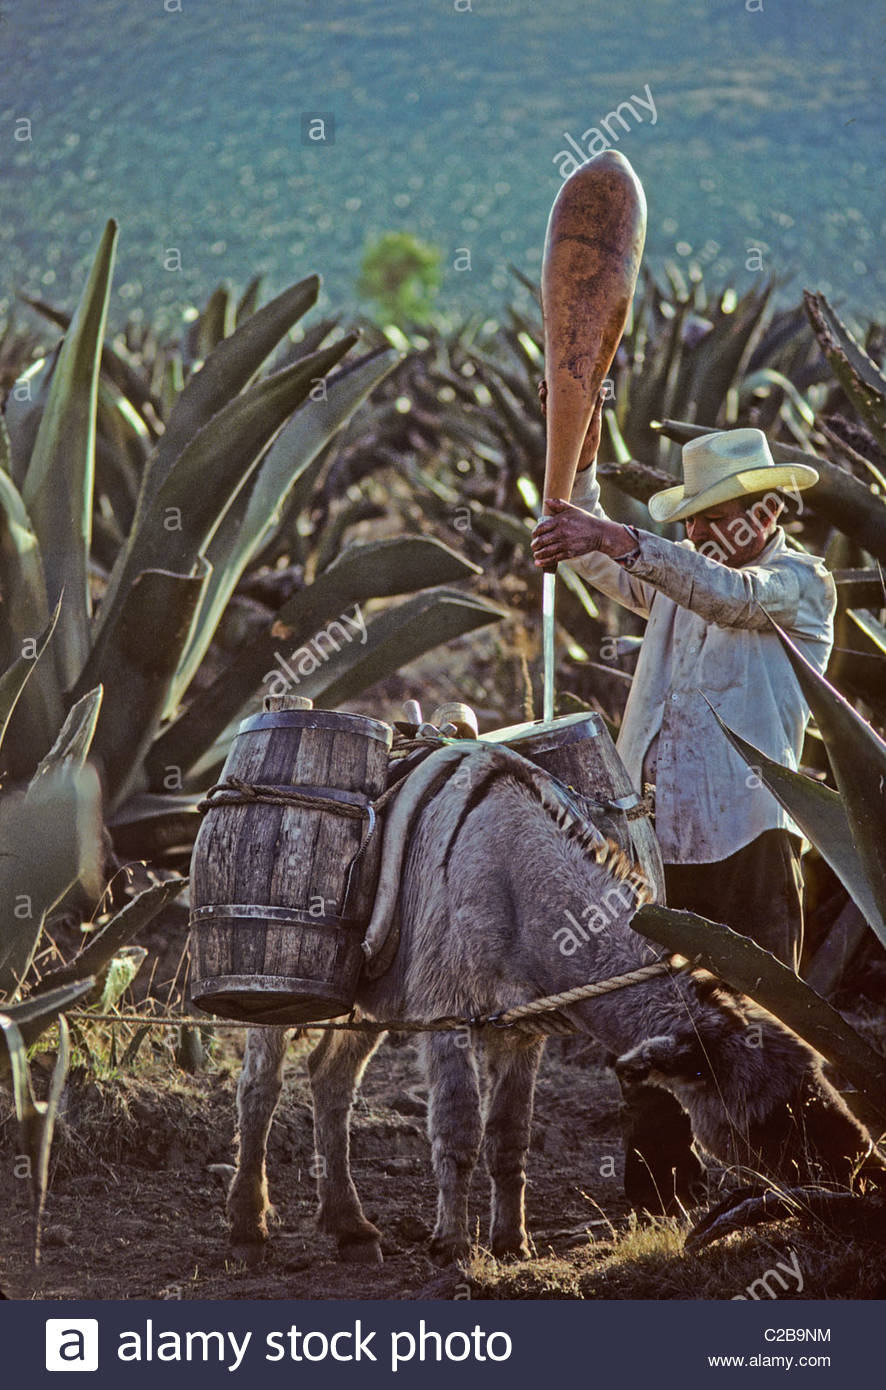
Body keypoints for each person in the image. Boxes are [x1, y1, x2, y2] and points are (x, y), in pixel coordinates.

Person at [530, 399, 836, 1211]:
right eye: (694, 519)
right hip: (657, 844)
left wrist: (622, 540)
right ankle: (658, 1203)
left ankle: (802, 1196)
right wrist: (579, 445)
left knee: (766, 1027)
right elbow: (604, 558)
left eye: (717, 516)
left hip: (750, 841)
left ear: (763, 512)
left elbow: (730, 595)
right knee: (652, 1027)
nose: (701, 532)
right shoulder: (674, 581)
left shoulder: (799, 584)